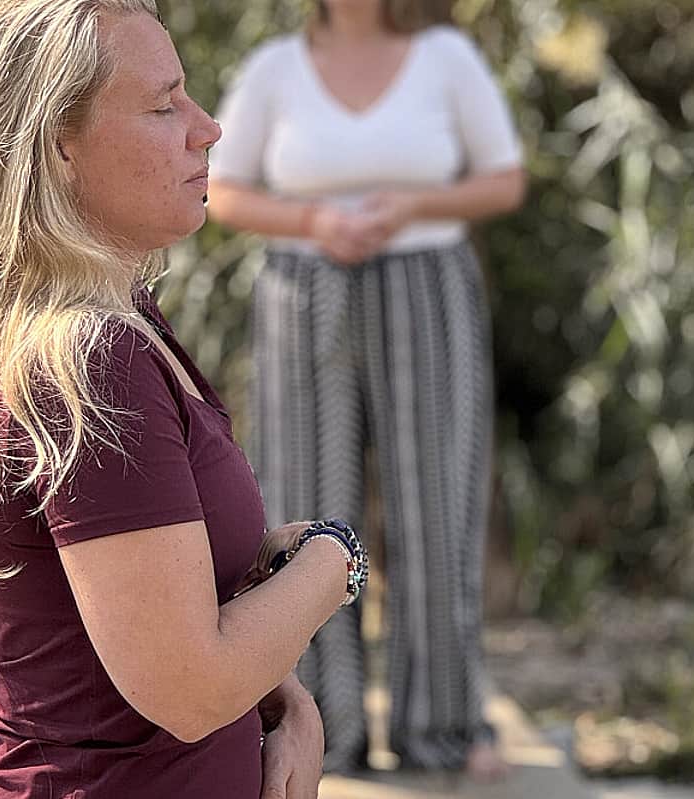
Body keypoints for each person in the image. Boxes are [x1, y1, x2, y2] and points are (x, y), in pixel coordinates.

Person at [0, 1, 372, 797]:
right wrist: (336, 557)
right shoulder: (90, 363)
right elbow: (191, 686)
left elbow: (145, 603)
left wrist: (287, 701)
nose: (206, 129)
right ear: (58, 147)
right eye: (164, 106)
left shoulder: (112, 324)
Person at [206, 0, 525, 781]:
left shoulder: (445, 59)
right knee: (307, 508)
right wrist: (314, 220)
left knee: (437, 507)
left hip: (429, 287)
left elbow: (505, 179)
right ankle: (323, 725)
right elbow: (220, 188)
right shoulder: (275, 68)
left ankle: (443, 726)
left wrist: (413, 204)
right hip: (303, 290)